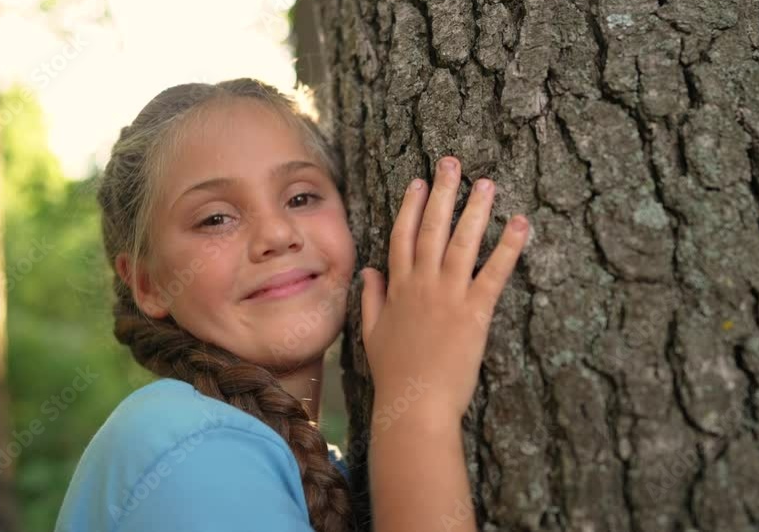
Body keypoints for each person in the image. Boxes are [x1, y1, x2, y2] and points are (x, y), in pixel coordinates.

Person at [53, 78, 530, 532]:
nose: (277, 235)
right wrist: (419, 406)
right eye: (216, 218)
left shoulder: (298, 463)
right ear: (148, 283)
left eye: (301, 197)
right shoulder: (187, 442)